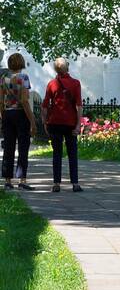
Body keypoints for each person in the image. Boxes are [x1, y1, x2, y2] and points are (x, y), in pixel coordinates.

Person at [42, 58, 83, 192]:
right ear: (67, 68)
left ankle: (56, 184)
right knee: (72, 153)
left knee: (57, 154)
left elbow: (45, 106)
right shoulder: (75, 83)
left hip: (54, 122)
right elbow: (79, 106)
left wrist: (45, 123)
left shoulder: (51, 84)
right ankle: (75, 183)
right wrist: (78, 125)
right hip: (70, 123)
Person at [1, 53, 37, 190]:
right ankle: (22, 179)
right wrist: (32, 121)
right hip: (21, 114)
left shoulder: (4, 78)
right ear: (21, 63)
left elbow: (0, 100)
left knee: (8, 148)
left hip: (7, 114)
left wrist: (2, 115)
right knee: (23, 147)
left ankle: (8, 180)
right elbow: (24, 100)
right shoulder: (23, 78)